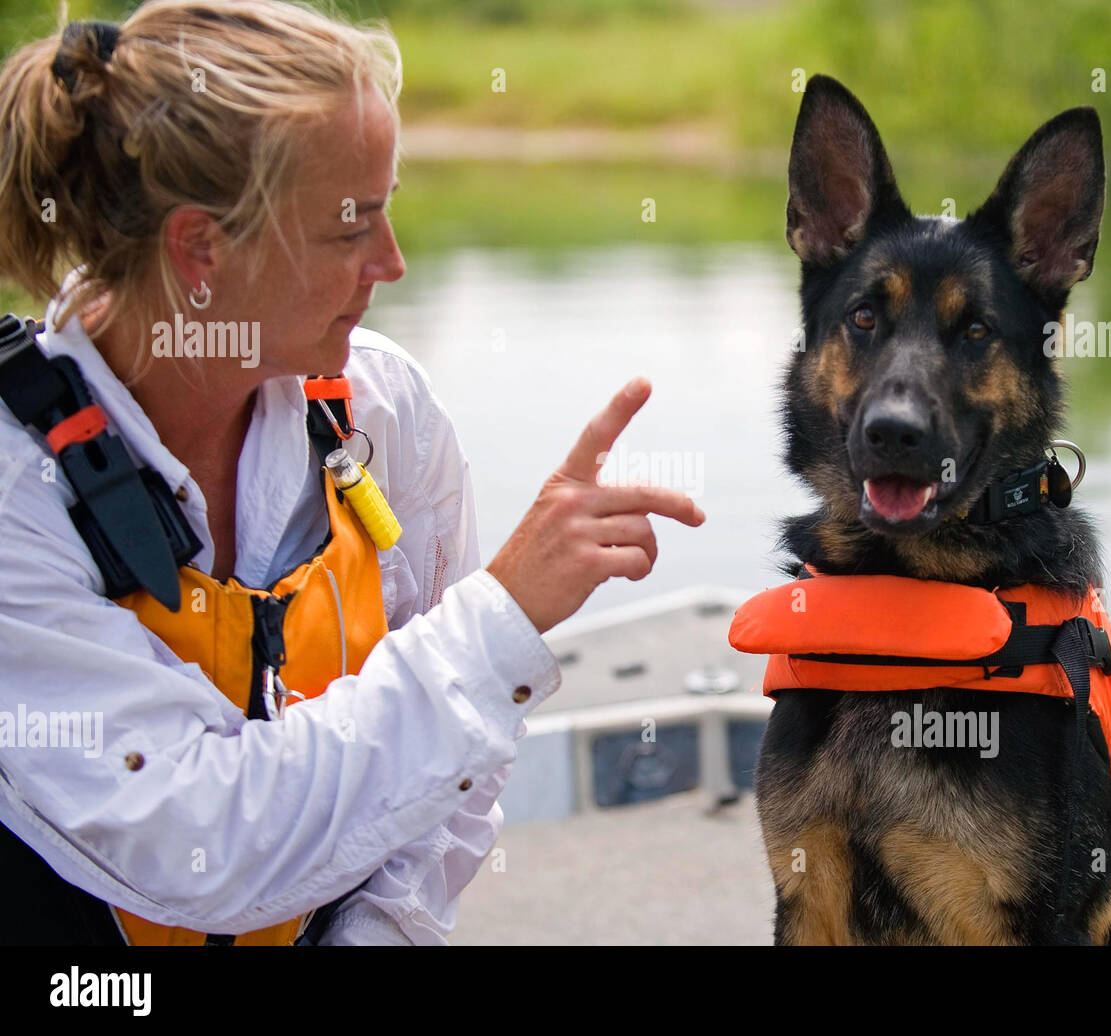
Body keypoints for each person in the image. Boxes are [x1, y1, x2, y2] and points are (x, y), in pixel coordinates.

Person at [0, 0, 704, 946]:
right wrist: (498, 622)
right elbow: (199, 843)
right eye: (350, 229)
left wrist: (381, 933)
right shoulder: (17, 497)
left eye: (391, 210)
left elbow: (454, 778)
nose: (395, 262)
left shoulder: (381, 409)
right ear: (200, 249)